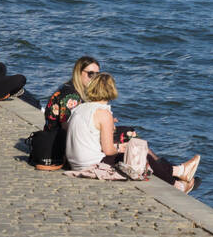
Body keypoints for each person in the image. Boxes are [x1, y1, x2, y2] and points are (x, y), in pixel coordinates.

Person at [64, 73, 200, 193]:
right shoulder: (103, 113)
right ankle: (177, 183)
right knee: (141, 152)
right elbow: (108, 150)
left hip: (75, 161)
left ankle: (178, 172)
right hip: (91, 164)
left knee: (132, 144)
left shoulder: (79, 108)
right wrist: (120, 148)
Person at [30, 56, 99, 169]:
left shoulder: (71, 87)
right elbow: (67, 125)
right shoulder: (71, 95)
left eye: (97, 75)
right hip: (61, 141)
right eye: (91, 74)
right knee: (125, 135)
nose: (95, 78)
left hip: (57, 136)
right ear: (79, 72)